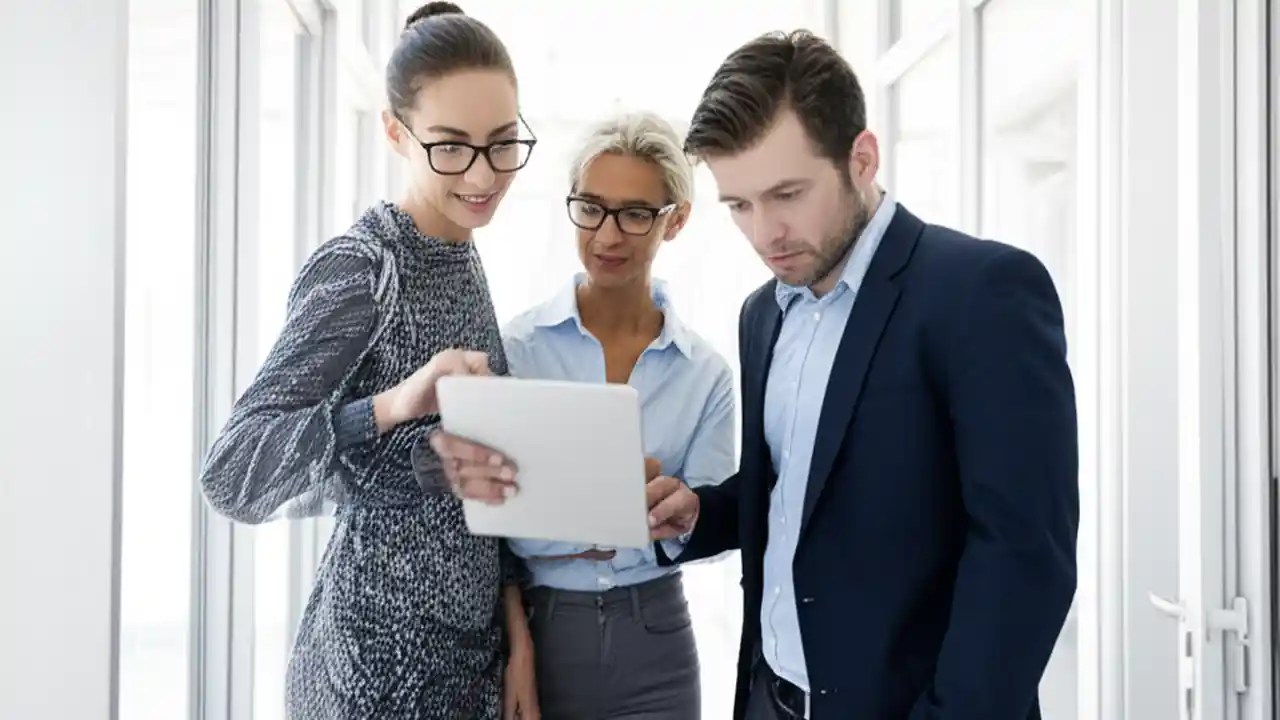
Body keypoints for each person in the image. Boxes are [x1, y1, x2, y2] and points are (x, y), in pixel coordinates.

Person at [433, 29, 1079, 720]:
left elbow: (1024, 556)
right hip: (771, 699)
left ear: (862, 159)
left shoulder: (981, 291)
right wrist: (698, 513)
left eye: (787, 194)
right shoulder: (763, 314)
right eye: (739, 205)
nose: (765, 233)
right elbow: (793, 487)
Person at [197, 3, 540, 718]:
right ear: (394, 130)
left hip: (470, 671)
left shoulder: (461, 249)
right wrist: (394, 404)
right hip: (369, 677)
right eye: (450, 146)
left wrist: (519, 644)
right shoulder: (362, 268)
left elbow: (473, 479)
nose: (483, 175)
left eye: (502, 143)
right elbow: (233, 474)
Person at [498, 112, 736, 719]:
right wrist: (517, 641)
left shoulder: (705, 375)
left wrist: (678, 510)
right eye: (591, 208)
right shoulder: (517, 350)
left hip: (656, 635)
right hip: (540, 627)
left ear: (675, 220)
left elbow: (709, 528)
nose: (607, 236)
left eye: (635, 214)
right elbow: (484, 524)